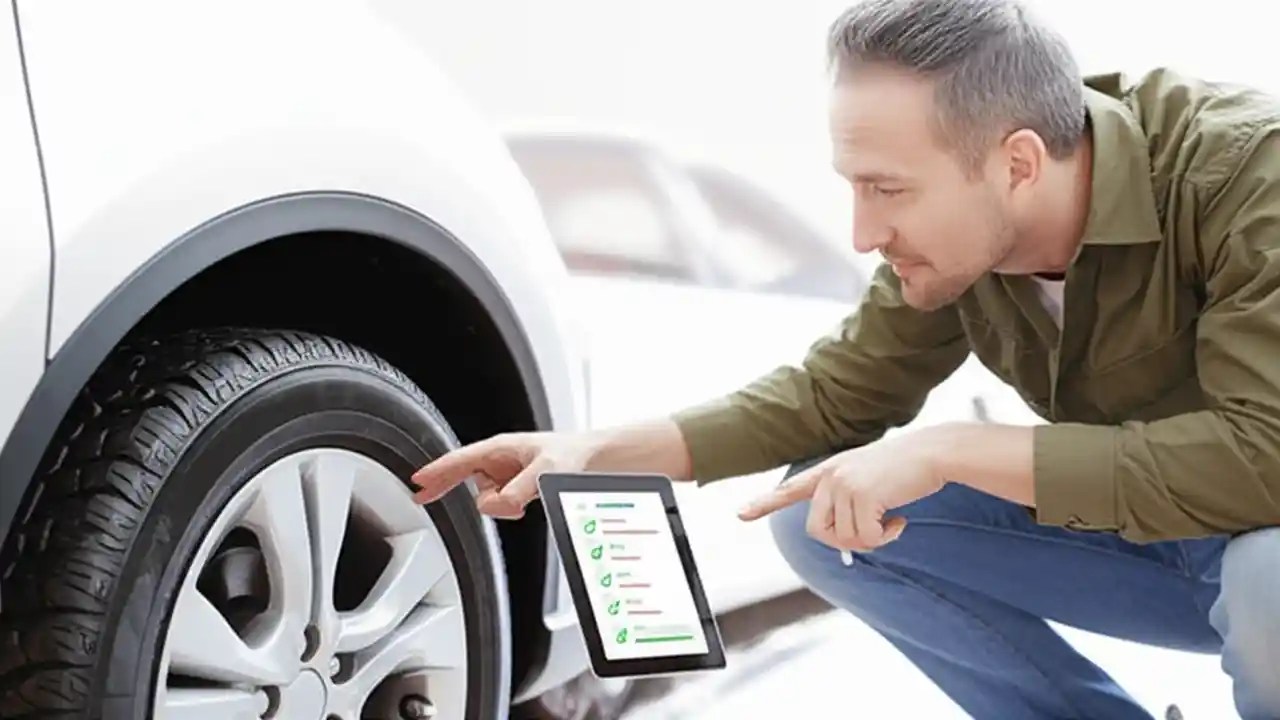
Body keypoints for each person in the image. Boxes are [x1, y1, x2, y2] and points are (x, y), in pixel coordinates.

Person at [412, 0, 1280, 717]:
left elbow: (1264, 459)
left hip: (1258, 549)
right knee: (820, 514)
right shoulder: (962, 246)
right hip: (1164, 550)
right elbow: (830, 397)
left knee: (1268, 573)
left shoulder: (1246, 175)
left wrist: (947, 449)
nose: (864, 233)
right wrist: (588, 453)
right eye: (855, 186)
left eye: (888, 190)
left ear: (1017, 162)